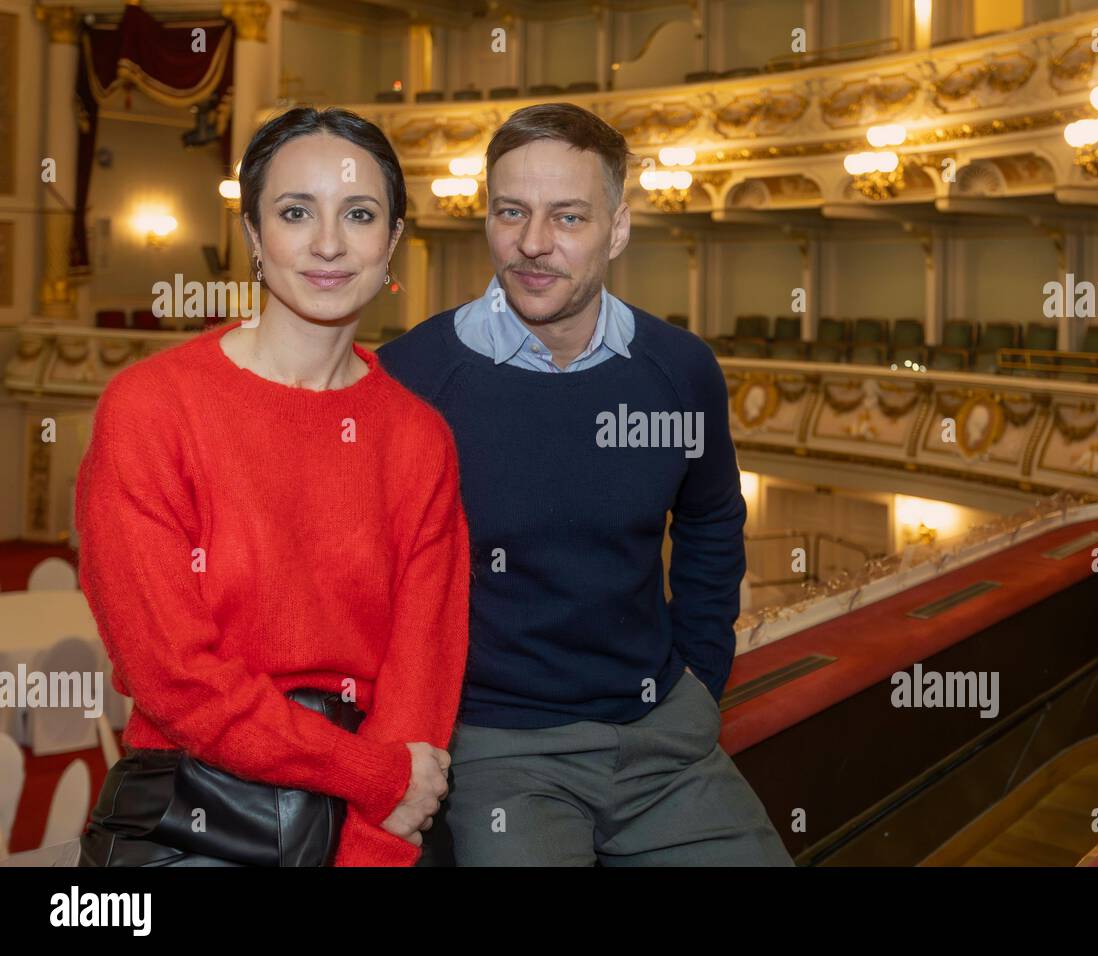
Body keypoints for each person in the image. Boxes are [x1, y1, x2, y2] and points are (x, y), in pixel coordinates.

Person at [378, 102, 793, 866]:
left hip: (666, 738)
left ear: (619, 228)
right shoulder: (411, 379)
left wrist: (700, 681)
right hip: (500, 750)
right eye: (512, 212)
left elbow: (710, 523)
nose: (533, 244)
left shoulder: (680, 370)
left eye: (568, 217)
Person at [76, 107, 469, 867]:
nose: (328, 243)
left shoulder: (420, 439)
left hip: (372, 818)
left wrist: (370, 846)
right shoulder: (151, 409)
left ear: (391, 243)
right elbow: (174, 678)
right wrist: (371, 774)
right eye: (296, 213)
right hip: (192, 808)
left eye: (359, 214)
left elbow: (419, 686)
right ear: (253, 236)